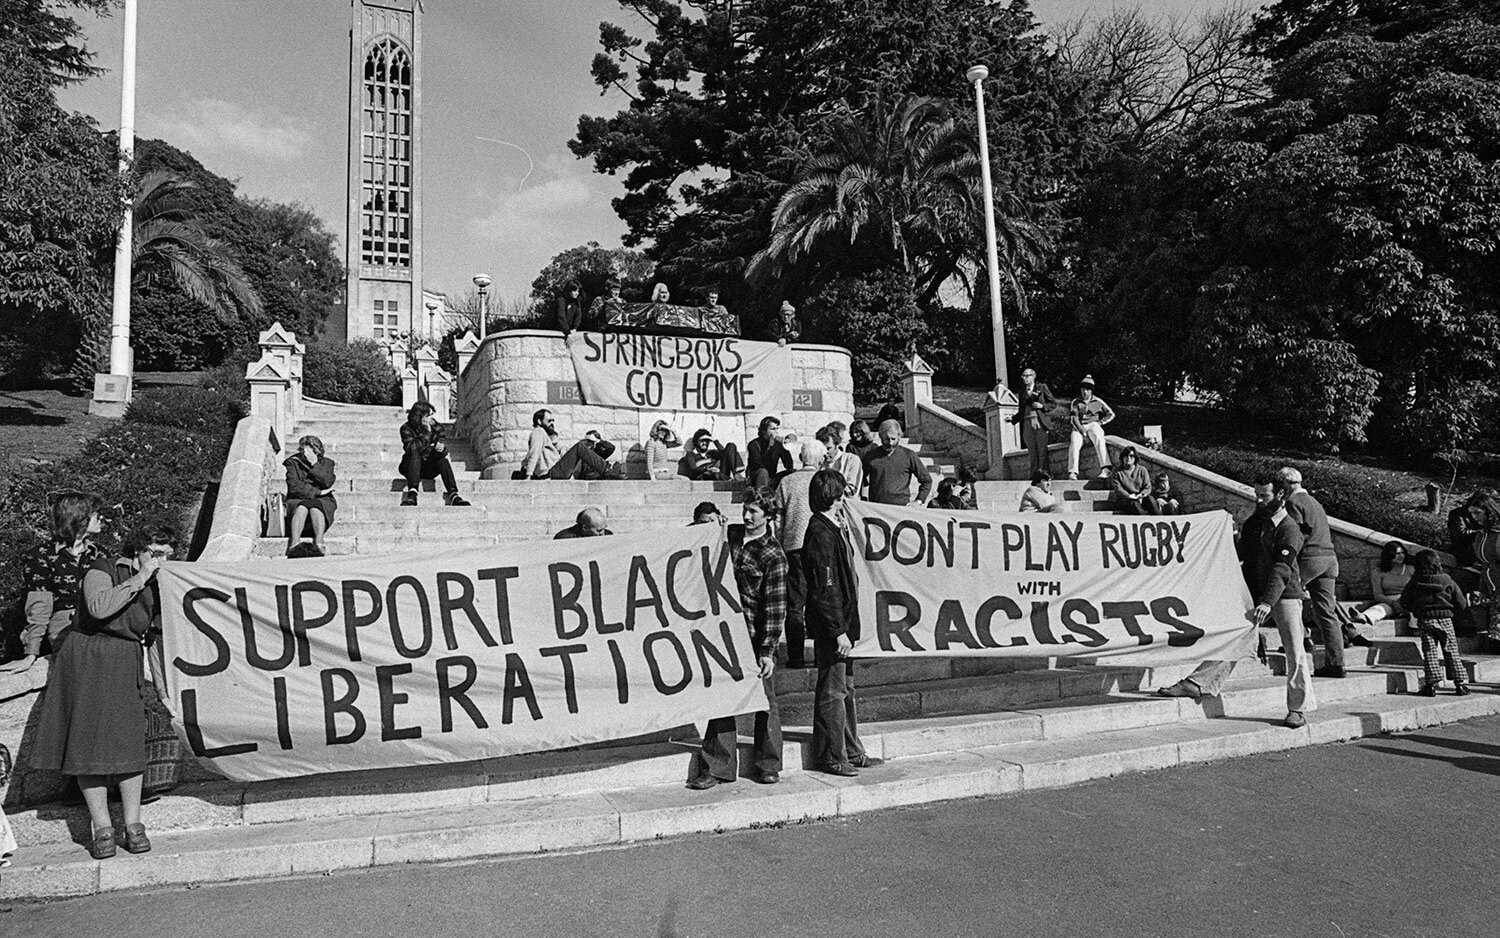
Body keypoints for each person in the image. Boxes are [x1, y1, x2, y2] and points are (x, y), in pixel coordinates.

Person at [29, 523, 179, 858]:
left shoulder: (161, 585)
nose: (162, 562)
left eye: (168, 556)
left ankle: (134, 824)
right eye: (156, 554)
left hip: (124, 657)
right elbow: (98, 607)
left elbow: (155, 639)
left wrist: (163, 692)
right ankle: (102, 829)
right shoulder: (103, 568)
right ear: (138, 551)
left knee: (129, 742)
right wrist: (140, 579)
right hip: (88, 655)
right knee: (89, 745)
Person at [1158, 478, 1316, 728]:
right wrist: (1227, 535)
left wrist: (1267, 602)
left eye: (1264, 496)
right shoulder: (1255, 523)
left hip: (1284, 595)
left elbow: (1282, 569)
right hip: (1255, 594)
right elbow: (1241, 555)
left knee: (1294, 651)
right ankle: (1199, 683)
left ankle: (1298, 709)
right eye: (1256, 494)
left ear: (1280, 495)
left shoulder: (1289, 528)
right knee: (1234, 636)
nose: (1258, 500)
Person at [687, 489, 787, 789]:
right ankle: (717, 766)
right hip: (724, 635)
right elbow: (690, 539)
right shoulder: (729, 535)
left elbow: (776, 606)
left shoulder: (773, 555)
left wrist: (768, 650)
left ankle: (768, 764)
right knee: (722, 700)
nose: (746, 516)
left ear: (768, 516)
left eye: (754, 511)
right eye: (745, 509)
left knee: (765, 702)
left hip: (755, 638)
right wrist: (709, 525)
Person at [802, 468, 882, 775]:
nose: (843, 500)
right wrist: (838, 631)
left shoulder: (832, 527)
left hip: (843, 623)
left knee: (845, 689)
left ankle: (850, 750)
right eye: (840, 495)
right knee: (833, 691)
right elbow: (826, 587)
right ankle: (832, 755)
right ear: (831, 497)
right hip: (833, 627)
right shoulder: (820, 532)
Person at [1, 493, 103, 674]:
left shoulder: (101, 554)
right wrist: (30, 653)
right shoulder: (42, 555)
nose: (101, 519)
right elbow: (39, 606)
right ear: (79, 518)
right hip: (65, 630)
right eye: (96, 515)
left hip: (100, 626)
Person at [1275, 467, 1343, 677]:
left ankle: (1299, 640)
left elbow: (1296, 535)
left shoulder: (1293, 503)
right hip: (1329, 559)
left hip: (1309, 559)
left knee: (1288, 598)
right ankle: (1336, 663)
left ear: (1285, 485)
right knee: (1327, 612)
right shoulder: (1315, 502)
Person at [776, 440, 828, 670]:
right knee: (819, 602)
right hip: (821, 547)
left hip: (794, 546)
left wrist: (781, 542)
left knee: (795, 604)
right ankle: (820, 655)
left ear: (800, 458)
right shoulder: (824, 480)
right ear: (821, 459)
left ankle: (796, 656)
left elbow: (778, 518)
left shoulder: (786, 482)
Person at [1400, 549, 1471, 697]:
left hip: (1425, 619)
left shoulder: (1416, 581)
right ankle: (1460, 684)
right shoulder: (1447, 579)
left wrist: (1415, 609)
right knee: (1451, 650)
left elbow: (1405, 600)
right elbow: (1461, 602)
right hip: (1446, 619)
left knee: (1430, 651)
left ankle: (1431, 685)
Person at [399, 402, 470, 506]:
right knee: (416, 454)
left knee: (442, 459)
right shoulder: (406, 428)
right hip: (410, 468)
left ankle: (454, 495)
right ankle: (412, 494)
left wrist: (441, 447)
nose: (431, 418)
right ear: (419, 417)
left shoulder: (435, 426)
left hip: (428, 468)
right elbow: (411, 449)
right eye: (428, 415)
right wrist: (427, 433)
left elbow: (442, 440)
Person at [283, 435, 336, 557]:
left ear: (317, 451)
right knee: (302, 507)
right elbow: (294, 486)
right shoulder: (293, 462)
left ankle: (319, 542)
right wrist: (318, 492)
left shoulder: (327, 463)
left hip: (322, 500)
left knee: (315, 507)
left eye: (311, 450)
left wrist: (314, 464)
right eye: (303, 450)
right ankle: (294, 544)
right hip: (298, 498)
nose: (305, 453)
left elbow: (328, 482)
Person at [1345, 541, 1413, 636]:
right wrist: (1393, 603)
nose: (1401, 556)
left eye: (1402, 553)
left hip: (1408, 600)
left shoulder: (1411, 569)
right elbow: (1378, 595)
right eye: (1397, 554)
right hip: (1389, 601)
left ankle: (1416, 629)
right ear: (1389, 555)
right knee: (1379, 609)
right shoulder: (1378, 572)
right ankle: (1363, 617)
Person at [862, 419, 933, 506]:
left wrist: (919, 501)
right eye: (887, 439)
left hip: (900, 508)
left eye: (893, 439)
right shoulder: (871, 456)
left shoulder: (909, 455)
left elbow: (927, 480)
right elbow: (861, 478)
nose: (890, 443)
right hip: (877, 508)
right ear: (880, 436)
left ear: (899, 437)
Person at [1066, 375, 1115, 480]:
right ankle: (1073, 472)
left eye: (1087, 389)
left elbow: (1111, 414)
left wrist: (1100, 422)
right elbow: (1073, 419)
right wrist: (1082, 431)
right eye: (1083, 389)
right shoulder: (1076, 402)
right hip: (1079, 427)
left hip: (1093, 425)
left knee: (1098, 437)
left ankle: (1106, 468)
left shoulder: (1098, 401)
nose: (1085, 392)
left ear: (1091, 391)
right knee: (1074, 443)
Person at [1011, 368, 1057, 477]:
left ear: (1033, 377)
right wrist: (1012, 419)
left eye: (1027, 376)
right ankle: (1034, 475)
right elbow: (1021, 410)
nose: (1025, 378)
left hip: (1039, 421)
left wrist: (1042, 406)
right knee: (1032, 451)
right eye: (1023, 376)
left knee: (1042, 450)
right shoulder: (1022, 392)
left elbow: (1053, 403)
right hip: (1026, 423)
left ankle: (1043, 475)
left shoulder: (1042, 387)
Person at [547, 432, 621, 480]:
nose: (587, 443)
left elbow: (610, 448)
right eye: (586, 441)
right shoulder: (581, 451)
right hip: (583, 476)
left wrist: (599, 440)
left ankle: (609, 472)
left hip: (594, 475)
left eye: (590, 441)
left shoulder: (597, 452)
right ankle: (609, 473)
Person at [746, 415, 793, 489]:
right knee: (763, 472)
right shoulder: (754, 444)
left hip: (772, 477)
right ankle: (763, 495)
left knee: (792, 472)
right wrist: (770, 447)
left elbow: (789, 465)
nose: (776, 432)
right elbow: (758, 465)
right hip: (757, 478)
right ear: (764, 430)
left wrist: (785, 448)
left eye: (777, 428)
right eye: (772, 429)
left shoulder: (778, 445)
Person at [678, 429, 744, 481]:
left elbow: (726, 454)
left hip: (720, 473)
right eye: (702, 440)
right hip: (704, 475)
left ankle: (736, 473)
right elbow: (693, 469)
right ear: (696, 442)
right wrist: (707, 469)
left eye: (707, 441)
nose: (705, 443)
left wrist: (715, 441)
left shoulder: (713, 453)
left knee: (731, 445)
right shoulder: (691, 454)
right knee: (711, 474)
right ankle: (729, 479)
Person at [820, 422, 863, 498]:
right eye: (822, 449)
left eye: (828, 448)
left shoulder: (852, 460)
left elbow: (851, 491)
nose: (825, 452)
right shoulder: (819, 463)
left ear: (837, 445)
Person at [522, 409, 564, 480]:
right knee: (580, 447)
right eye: (549, 421)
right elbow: (534, 452)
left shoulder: (545, 434)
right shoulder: (538, 431)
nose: (552, 423)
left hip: (553, 470)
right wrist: (528, 475)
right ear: (539, 421)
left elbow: (558, 448)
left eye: (553, 421)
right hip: (551, 472)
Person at [1109, 447, 1152, 513]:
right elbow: (1118, 488)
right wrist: (1129, 496)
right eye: (1126, 456)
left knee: (1150, 500)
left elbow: (1147, 486)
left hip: (1139, 497)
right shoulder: (1117, 471)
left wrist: (1141, 495)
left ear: (1135, 458)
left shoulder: (1142, 470)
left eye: (1131, 456)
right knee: (1134, 504)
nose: (1128, 458)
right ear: (1122, 457)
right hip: (1125, 499)